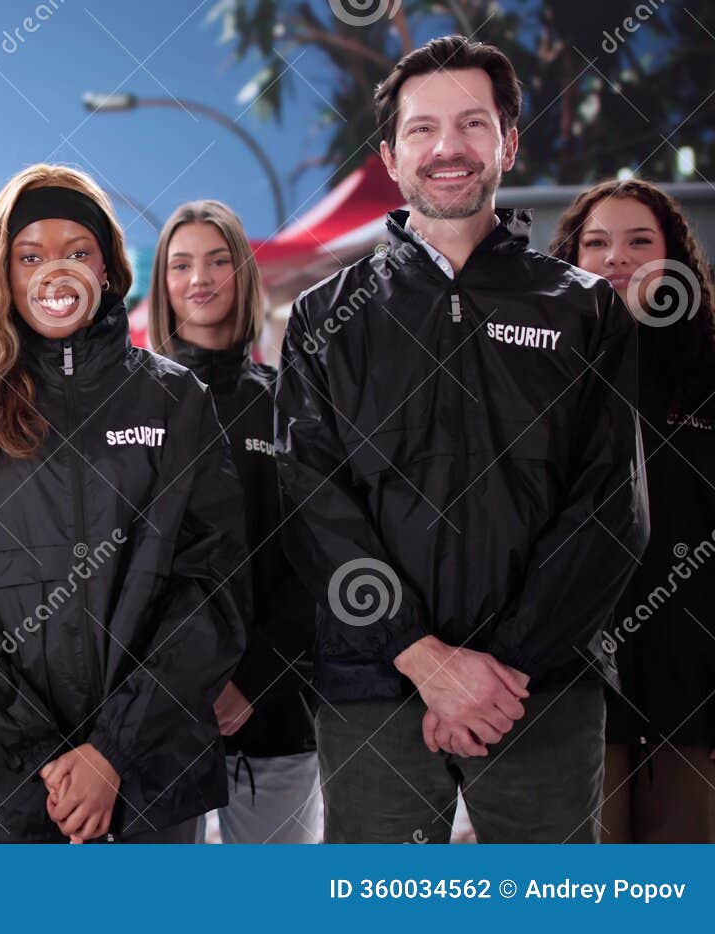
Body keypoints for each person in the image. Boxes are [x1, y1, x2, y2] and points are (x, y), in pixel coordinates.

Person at [275, 35, 648, 843]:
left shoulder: (583, 309)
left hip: (540, 691)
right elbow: (312, 504)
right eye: (423, 130)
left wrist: (504, 666)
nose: (448, 148)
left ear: (509, 142)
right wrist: (420, 657)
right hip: (374, 689)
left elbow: (610, 504)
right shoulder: (323, 320)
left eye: (473, 125)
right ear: (390, 154)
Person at [0, 164, 248, 844]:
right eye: (30, 255)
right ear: (4, 271)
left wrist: (112, 752)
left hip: (147, 779)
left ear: (110, 267)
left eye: (77, 253)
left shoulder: (176, 402)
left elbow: (212, 591)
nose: (54, 272)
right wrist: (47, 757)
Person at [148, 200, 320, 844]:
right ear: (162, 282)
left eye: (218, 261)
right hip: (159, 721)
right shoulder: (137, 407)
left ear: (244, 275)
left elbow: (315, 555)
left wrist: (253, 680)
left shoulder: (288, 403)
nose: (201, 278)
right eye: (182, 263)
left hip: (275, 714)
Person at [551, 178, 715, 843]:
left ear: (675, 258)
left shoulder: (707, 381)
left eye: (639, 241)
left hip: (696, 699)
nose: (617, 258)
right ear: (571, 261)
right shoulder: (540, 381)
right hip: (576, 696)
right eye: (597, 244)